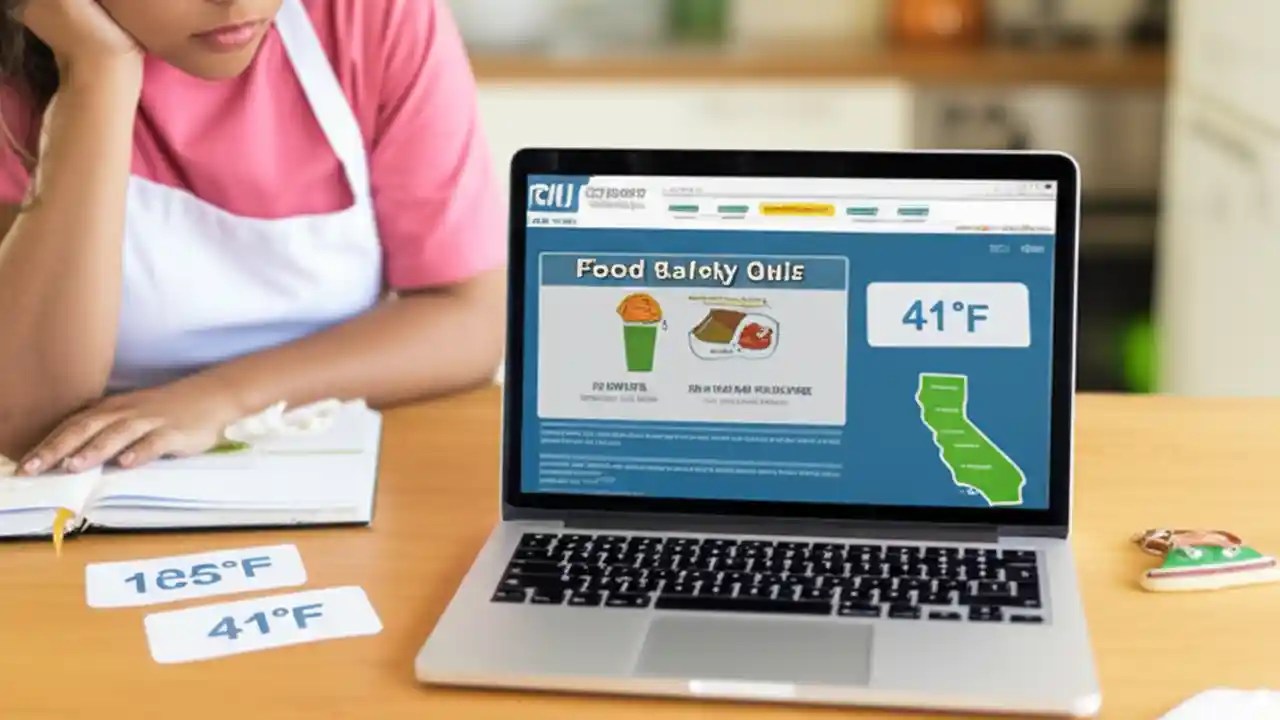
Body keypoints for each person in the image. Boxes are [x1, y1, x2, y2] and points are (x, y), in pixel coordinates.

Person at [0, 0, 506, 474]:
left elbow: (471, 318)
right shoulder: (16, 73)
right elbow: (24, 417)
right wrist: (96, 72)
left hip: (331, 465)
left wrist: (224, 399)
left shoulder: (368, 15)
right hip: (106, 486)